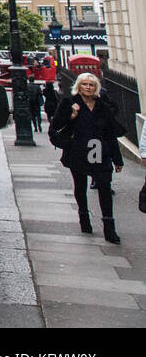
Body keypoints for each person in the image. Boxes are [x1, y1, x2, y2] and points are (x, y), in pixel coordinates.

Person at [49, 72, 126, 243]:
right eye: (84, 84)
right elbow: (56, 127)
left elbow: (110, 134)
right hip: (78, 150)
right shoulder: (69, 103)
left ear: (96, 88)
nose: (88, 88)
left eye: (91, 85)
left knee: (104, 186)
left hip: (99, 151)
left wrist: (117, 159)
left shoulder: (102, 106)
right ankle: (84, 218)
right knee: (80, 186)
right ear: (79, 86)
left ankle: (109, 228)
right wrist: (72, 117)